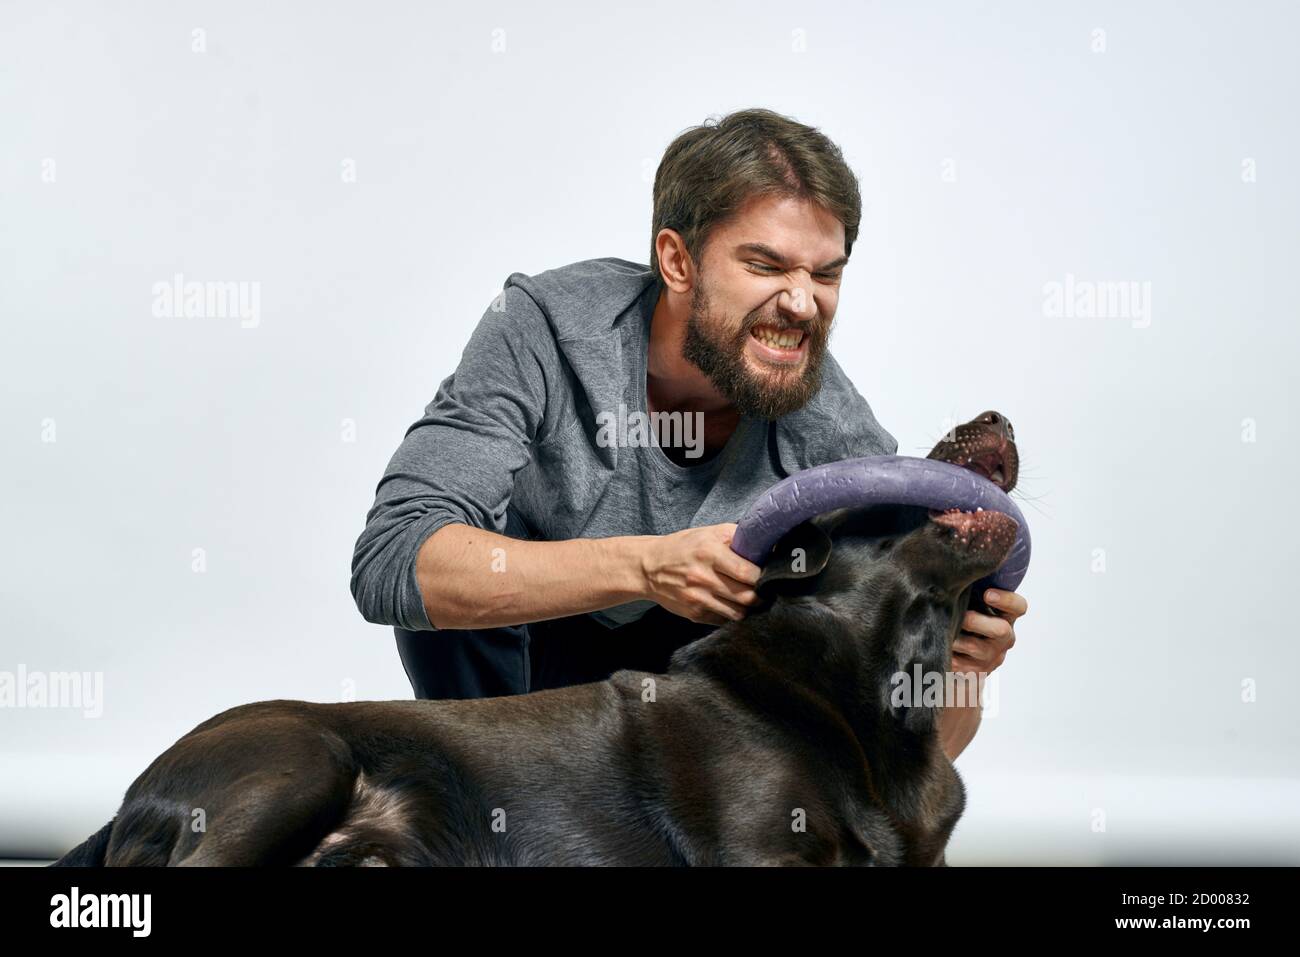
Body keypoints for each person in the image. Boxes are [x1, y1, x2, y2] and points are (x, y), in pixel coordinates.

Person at [350, 107, 1028, 760]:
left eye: (825, 273)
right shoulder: (544, 327)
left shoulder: (836, 433)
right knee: (471, 563)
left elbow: (902, 754)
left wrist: (960, 664)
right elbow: (393, 561)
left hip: (676, 731)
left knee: (810, 604)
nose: (802, 301)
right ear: (677, 261)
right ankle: (499, 818)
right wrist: (647, 565)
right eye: (765, 266)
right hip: (515, 696)